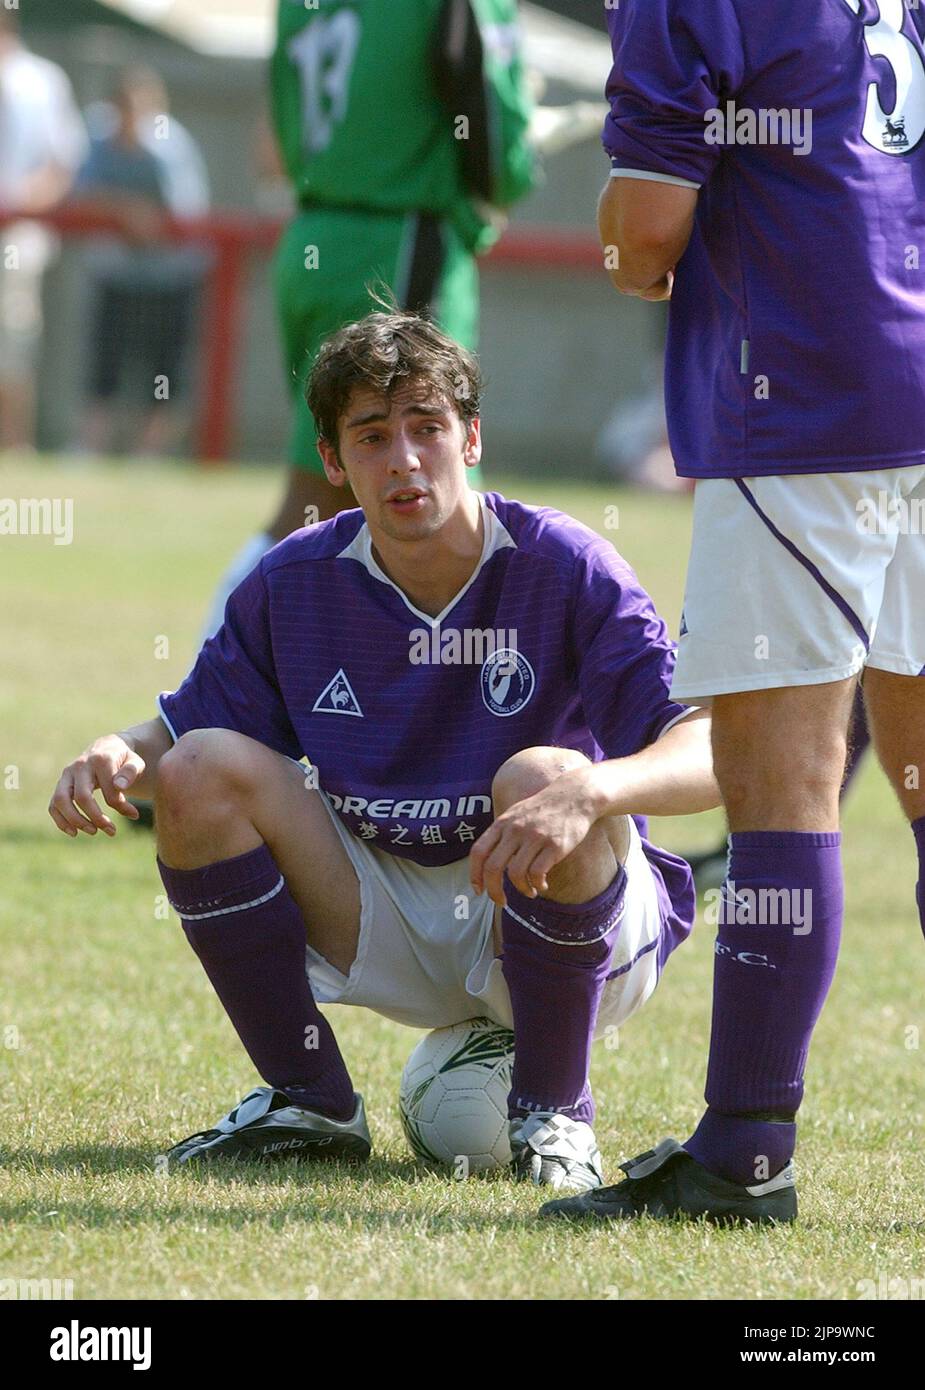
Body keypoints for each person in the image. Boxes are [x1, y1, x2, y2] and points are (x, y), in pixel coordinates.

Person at [48, 307, 720, 1194]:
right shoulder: (295, 579)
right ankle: (308, 1102)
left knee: (544, 775)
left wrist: (593, 792)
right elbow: (179, 732)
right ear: (333, 462)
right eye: (371, 437)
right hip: (389, 910)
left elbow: (708, 747)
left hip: (562, 901)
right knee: (199, 770)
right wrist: (116, 749)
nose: (403, 459)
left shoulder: (564, 562)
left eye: (426, 428)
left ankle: (555, 1115)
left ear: (470, 437)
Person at [541, 0, 925, 1224]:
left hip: (802, 403)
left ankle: (744, 1148)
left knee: (779, 794)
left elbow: (645, 237)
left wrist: (615, 230)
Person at [198, 0, 541, 639]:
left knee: (325, 493)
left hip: (315, 238)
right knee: (438, 491)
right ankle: (207, 696)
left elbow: (278, 137)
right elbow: (499, 140)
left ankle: (240, 697)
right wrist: (501, 171)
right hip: (399, 242)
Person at [73, 67, 210, 458]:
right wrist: (126, 210)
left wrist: (135, 217)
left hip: (171, 278)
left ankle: (148, 454)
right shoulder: (97, 138)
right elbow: (78, 194)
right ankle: (91, 447)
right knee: (104, 362)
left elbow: (181, 218)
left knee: (165, 373)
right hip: (118, 275)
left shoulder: (170, 148)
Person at [0, 11, 86, 452]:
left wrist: (17, 203)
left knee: (11, 341)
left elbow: (62, 161)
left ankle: (14, 446)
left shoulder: (41, 80)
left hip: (16, 234)